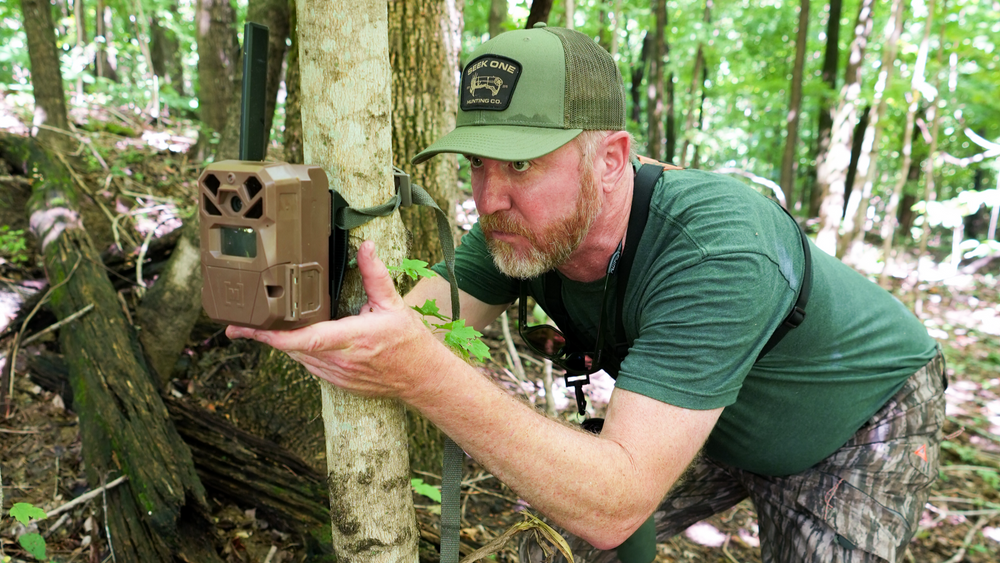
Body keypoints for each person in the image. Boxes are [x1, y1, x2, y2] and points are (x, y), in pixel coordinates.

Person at [227, 24, 945, 563]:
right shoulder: (520, 235)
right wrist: (289, 318)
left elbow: (614, 500)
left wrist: (422, 372)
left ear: (611, 158)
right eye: (477, 165)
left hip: (851, 421)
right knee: (543, 540)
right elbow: (404, 332)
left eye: (522, 164)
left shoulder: (719, 248)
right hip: (701, 413)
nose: (492, 197)